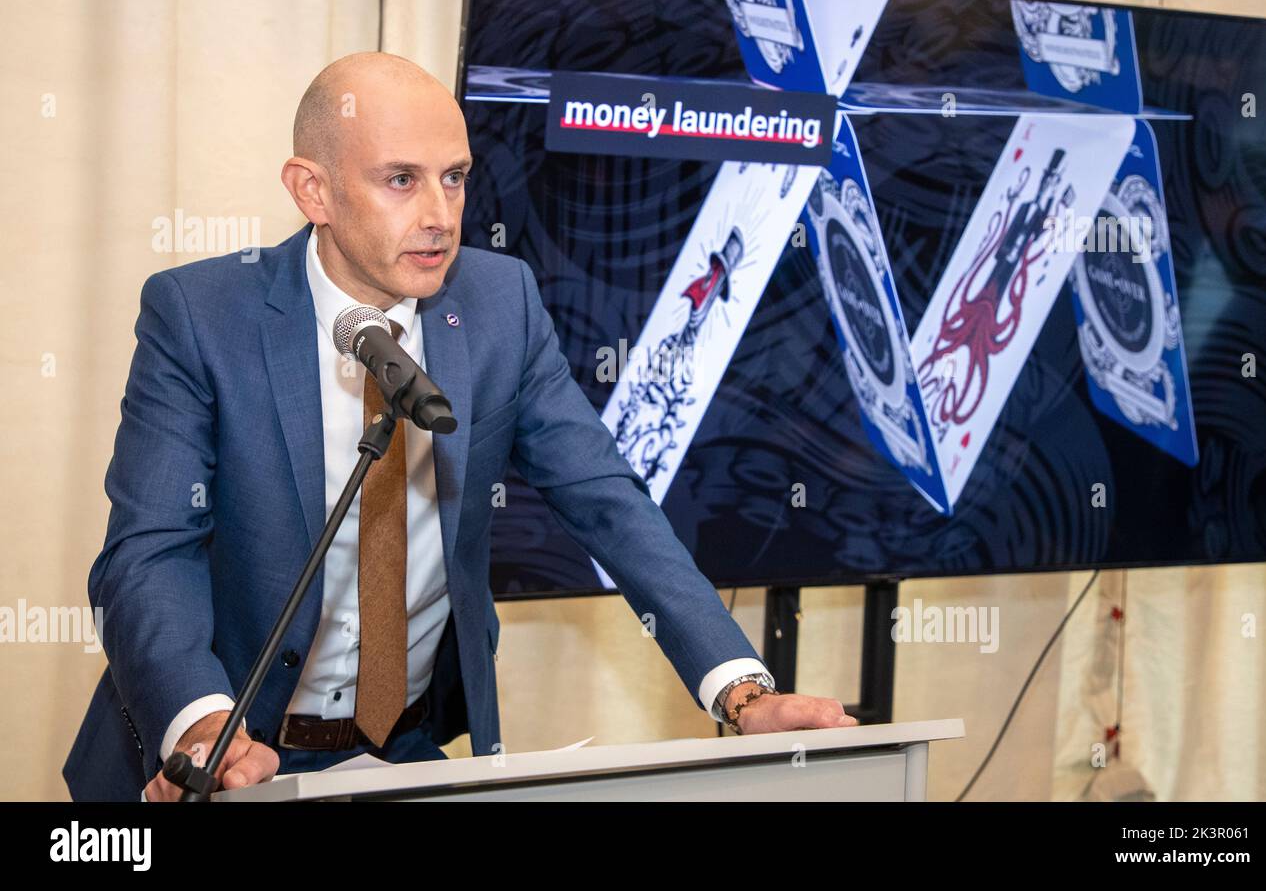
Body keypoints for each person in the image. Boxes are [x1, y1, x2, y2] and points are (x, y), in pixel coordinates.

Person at [62, 53, 858, 802]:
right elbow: (147, 553)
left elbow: (608, 503)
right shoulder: (203, 316)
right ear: (314, 190)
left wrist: (742, 692)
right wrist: (202, 722)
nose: (441, 215)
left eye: (455, 178)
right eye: (401, 181)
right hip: (229, 753)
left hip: (402, 751)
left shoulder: (497, 301)